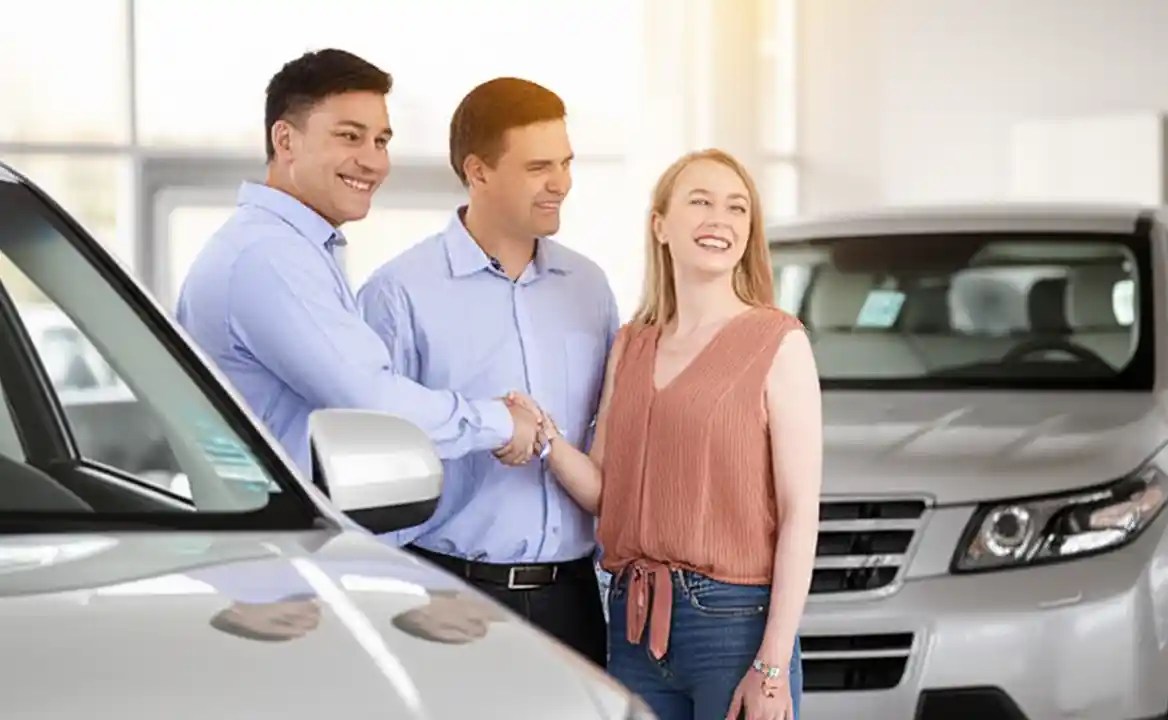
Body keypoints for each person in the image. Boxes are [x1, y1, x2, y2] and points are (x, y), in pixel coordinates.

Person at [509, 149, 822, 719]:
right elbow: (605, 492)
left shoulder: (779, 342)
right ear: (660, 225)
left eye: (737, 208)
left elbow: (801, 513)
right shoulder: (632, 343)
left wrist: (773, 665)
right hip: (633, 627)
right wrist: (546, 437)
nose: (719, 220)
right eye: (700, 202)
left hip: (735, 627)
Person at [175, 50, 543, 485]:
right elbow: (370, 403)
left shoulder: (287, 246)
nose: (374, 162)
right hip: (273, 521)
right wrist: (499, 422)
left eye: (381, 141)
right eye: (350, 137)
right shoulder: (268, 256)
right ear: (285, 140)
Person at [355, 77, 617, 667]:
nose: (561, 183)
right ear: (478, 171)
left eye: (566, 163)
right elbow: (371, 459)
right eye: (539, 167)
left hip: (575, 602)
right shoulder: (399, 293)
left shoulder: (590, 289)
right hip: (448, 597)